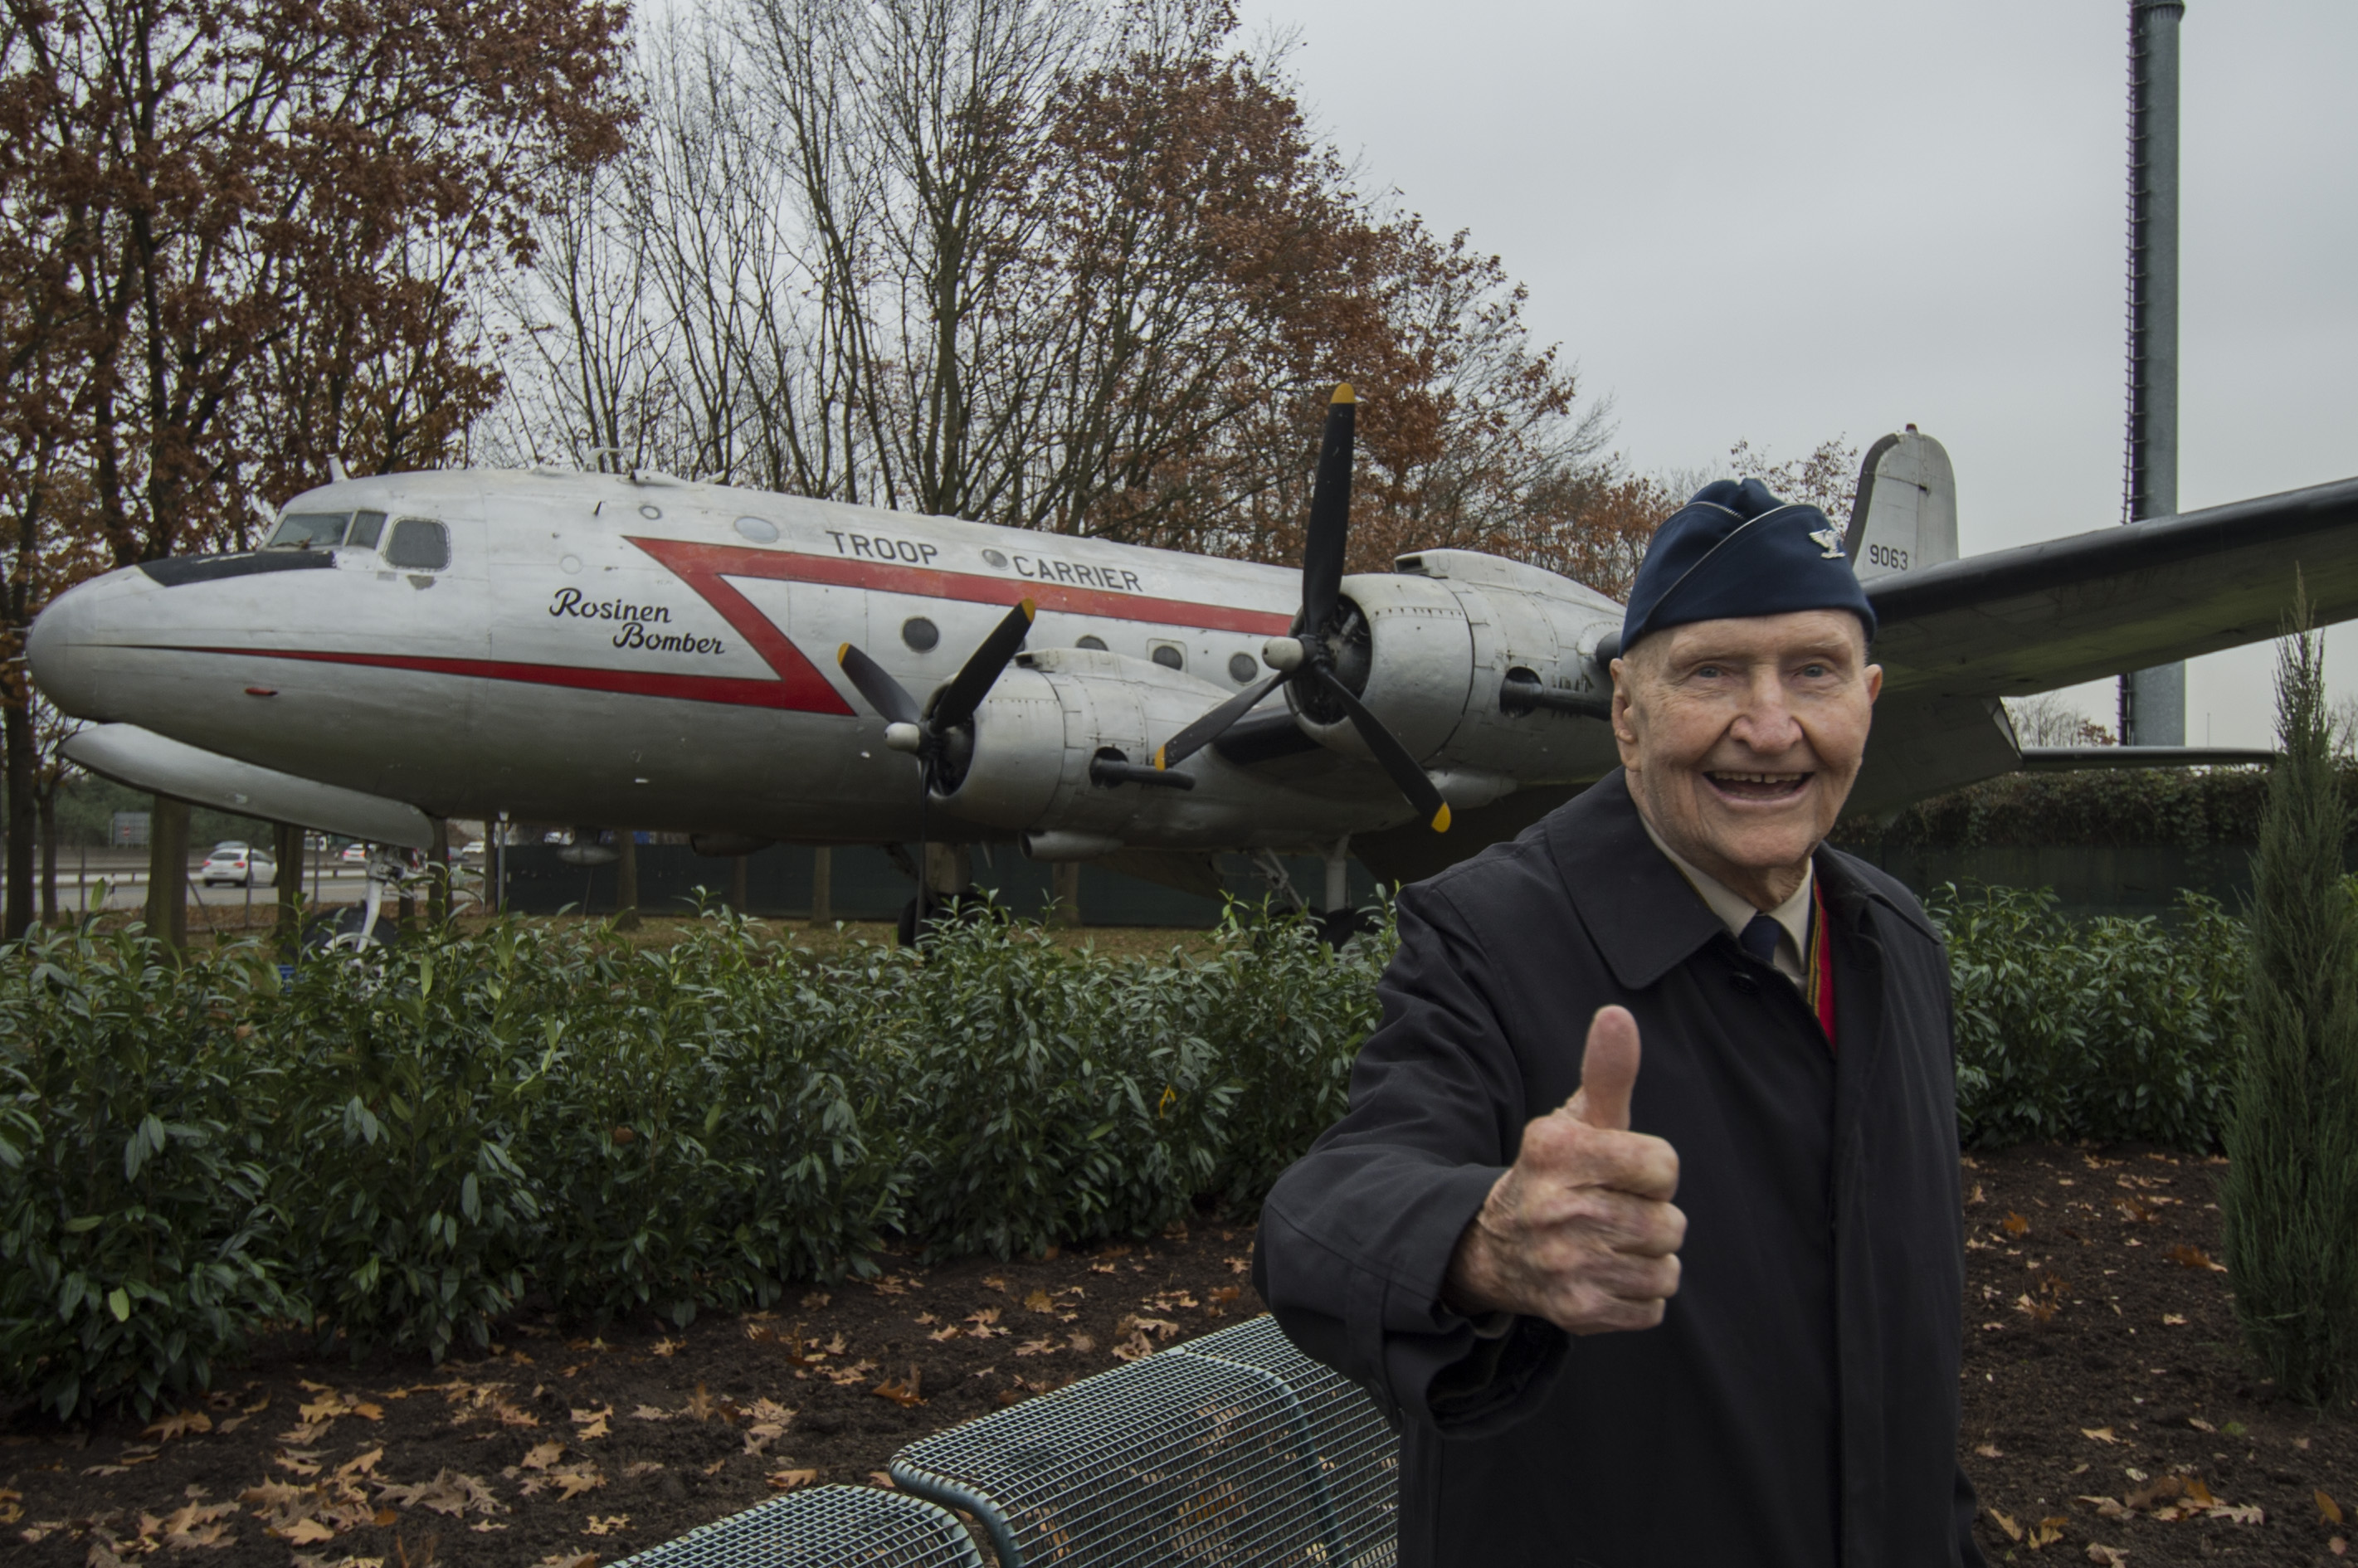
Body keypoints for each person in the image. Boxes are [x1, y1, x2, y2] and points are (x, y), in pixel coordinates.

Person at [1255, 479, 1985, 1566]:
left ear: (1868, 699)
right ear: (1625, 713)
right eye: (1711, 672)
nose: (1769, 723)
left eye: (1813, 671)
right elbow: (1319, 1215)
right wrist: (1483, 1240)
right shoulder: (1486, 936)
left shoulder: (1895, 942)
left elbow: (1909, 1359)